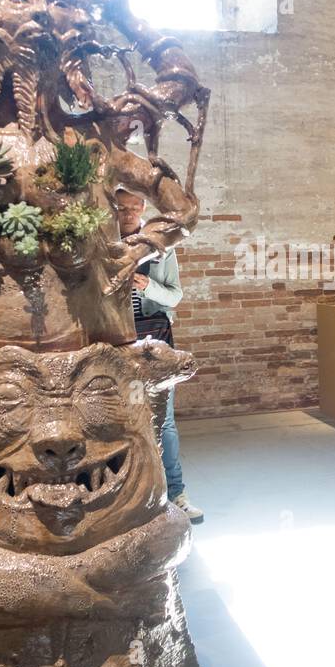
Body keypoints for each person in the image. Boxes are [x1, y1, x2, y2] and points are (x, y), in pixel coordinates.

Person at [114, 188, 203, 523]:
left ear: (142, 209)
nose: (125, 214)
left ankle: (176, 493)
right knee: (120, 416)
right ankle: (130, 497)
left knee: (163, 419)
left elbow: (175, 296)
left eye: (131, 208)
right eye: (119, 208)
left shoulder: (161, 250)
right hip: (116, 342)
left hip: (153, 340)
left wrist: (145, 287)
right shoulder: (105, 246)